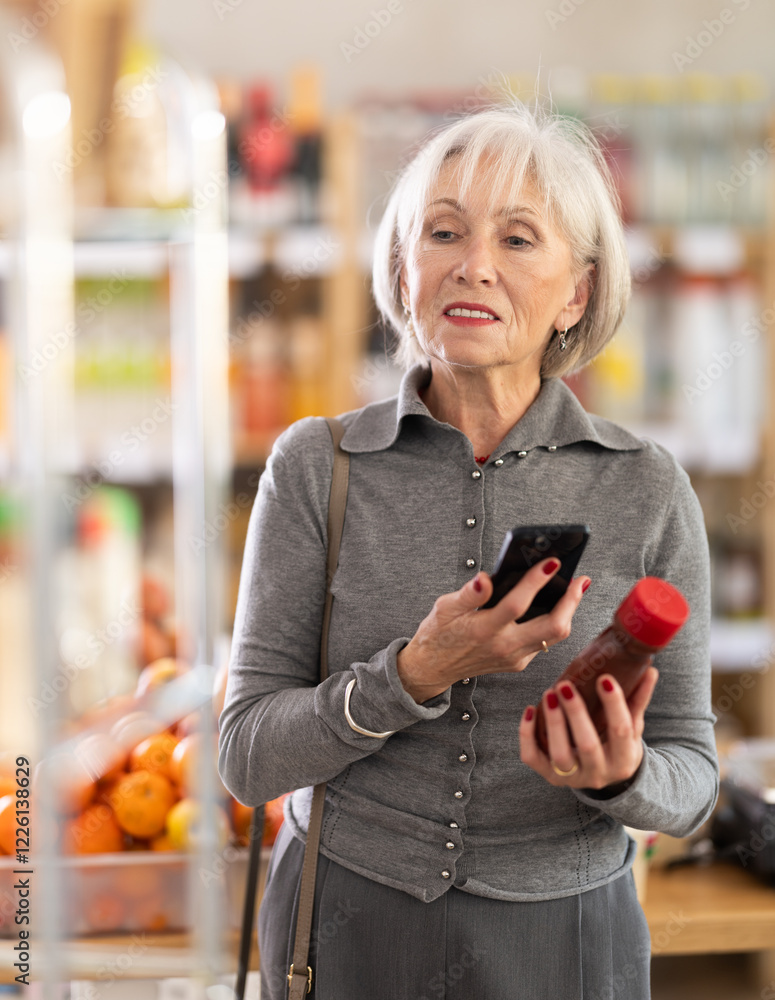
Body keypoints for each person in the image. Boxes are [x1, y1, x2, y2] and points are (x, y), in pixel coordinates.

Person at [218, 99, 718, 1000]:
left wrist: (623, 776)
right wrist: (411, 673)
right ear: (405, 268)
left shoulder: (644, 487)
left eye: (519, 240)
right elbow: (247, 757)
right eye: (442, 232)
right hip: (350, 925)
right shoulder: (316, 467)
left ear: (577, 289)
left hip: (565, 941)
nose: (473, 266)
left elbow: (691, 780)